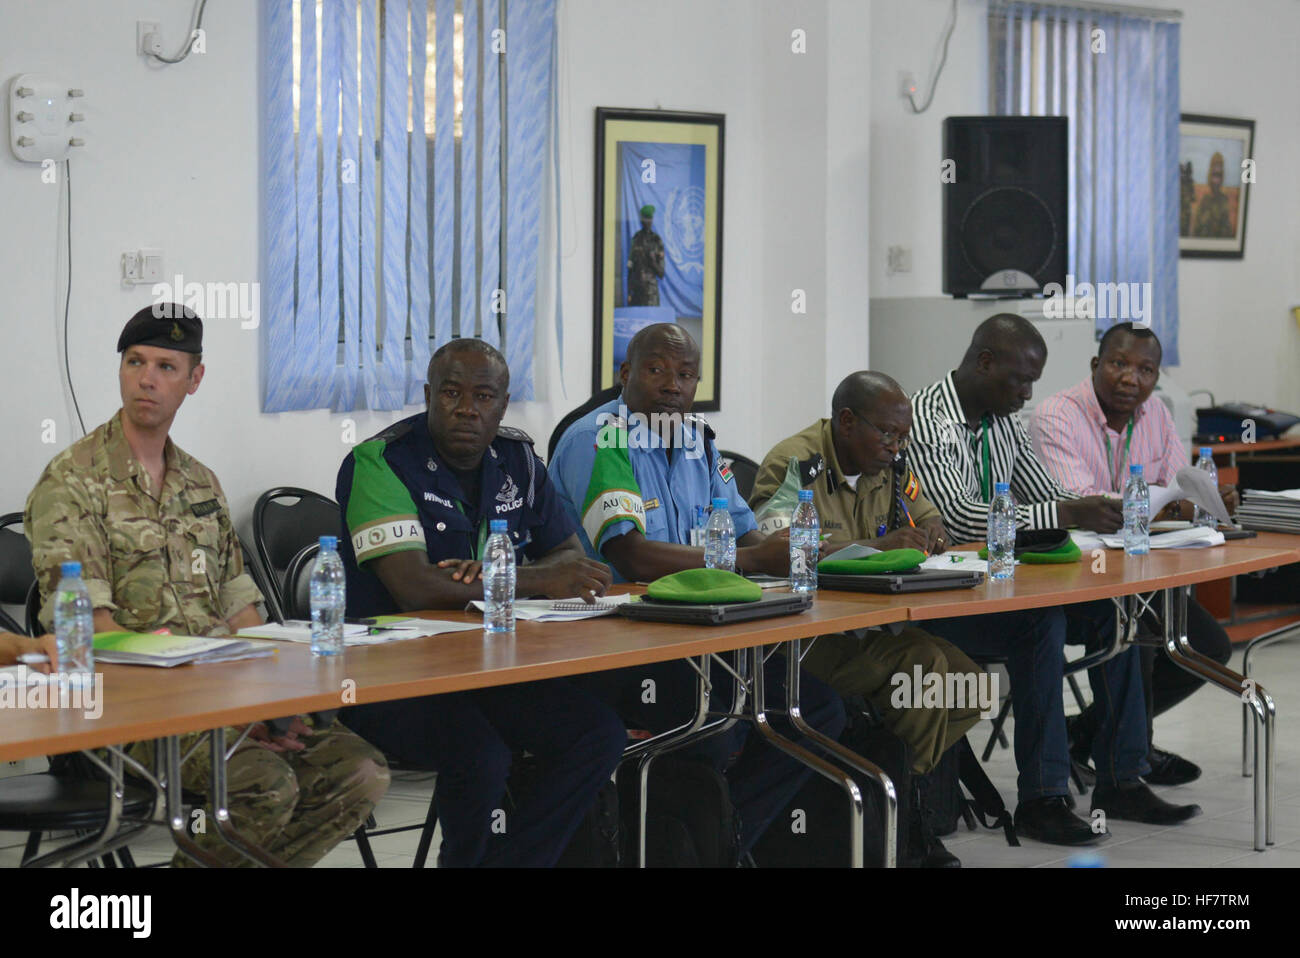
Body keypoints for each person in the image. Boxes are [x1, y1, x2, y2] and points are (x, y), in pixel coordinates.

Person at [25, 304, 390, 867]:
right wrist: (220, 705)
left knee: (360, 773)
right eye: (135, 362)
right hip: (132, 711)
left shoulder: (200, 482)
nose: (146, 379)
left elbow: (243, 610)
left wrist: (276, 701)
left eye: (166, 367)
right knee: (266, 787)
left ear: (194, 379)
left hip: (227, 700)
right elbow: (91, 633)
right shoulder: (72, 482)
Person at [549, 322, 847, 858]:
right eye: (656, 369)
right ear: (625, 374)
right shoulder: (601, 437)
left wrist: (793, 552)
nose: (671, 385)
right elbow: (631, 555)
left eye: (685, 374)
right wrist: (756, 557)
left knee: (817, 709)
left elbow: (747, 535)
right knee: (716, 725)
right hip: (615, 648)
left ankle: (717, 840)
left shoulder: (697, 443)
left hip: (700, 643)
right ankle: (696, 840)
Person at [907, 313, 1201, 841]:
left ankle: (1122, 777)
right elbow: (961, 517)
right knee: (1038, 622)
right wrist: (1067, 514)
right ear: (984, 362)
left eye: (1033, 383)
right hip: (946, 597)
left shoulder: (1002, 421)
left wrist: (1079, 508)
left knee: (1120, 612)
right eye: (1019, 381)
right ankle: (1043, 799)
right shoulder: (930, 417)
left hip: (1003, 582)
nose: (1026, 395)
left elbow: (1045, 493)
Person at [335, 338, 627, 867]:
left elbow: (573, 562)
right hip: (393, 678)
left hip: (491, 671)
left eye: (483, 396)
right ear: (428, 395)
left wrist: (503, 576)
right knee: (483, 757)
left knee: (598, 734)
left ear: (503, 403)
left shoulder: (517, 459)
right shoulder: (379, 462)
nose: (467, 408)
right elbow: (414, 587)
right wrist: (530, 579)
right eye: (451, 392)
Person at [750, 370, 984, 866]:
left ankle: (893, 791)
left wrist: (933, 534)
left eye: (904, 436)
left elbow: (929, 512)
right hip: (808, 637)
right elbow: (781, 550)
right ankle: (905, 821)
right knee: (924, 670)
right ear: (847, 420)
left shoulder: (893, 465)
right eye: (887, 433)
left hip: (872, 623)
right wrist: (879, 546)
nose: (897, 446)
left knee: (969, 686)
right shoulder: (795, 462)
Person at [1029, 321, 1234, 785]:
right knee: (1136, 634)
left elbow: (1180, 483)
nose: (1131, 379)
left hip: (1137, 569)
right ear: (1095, 364)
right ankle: (1128, 760)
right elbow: (1086, 505)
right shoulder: (1057, 415)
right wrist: (1171, 504)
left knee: (1209, 646)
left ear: (1157, 378)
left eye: (1145, 370)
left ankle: (1094, 734)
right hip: (1077, 573)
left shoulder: (1156, 414)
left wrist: (1198, 499)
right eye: (1119, 364)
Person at [627, 204, 666, 306]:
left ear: (652, 220)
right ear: (641, 220)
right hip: (636, 293)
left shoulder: (656, 240)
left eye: (649, 219)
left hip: (651, 296)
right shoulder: (636, 238)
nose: (646, 222)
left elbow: (661, 273)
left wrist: (652, 261)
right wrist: (629, 292)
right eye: (644, 219)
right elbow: (630, 268)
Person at [1192, 151, 1233, 238]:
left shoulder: (1224, 201)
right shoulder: (1204, 200)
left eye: (1218, 176)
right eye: (1214, 175)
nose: (1216, 181)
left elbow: (1227, 233)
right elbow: (1196, 231)